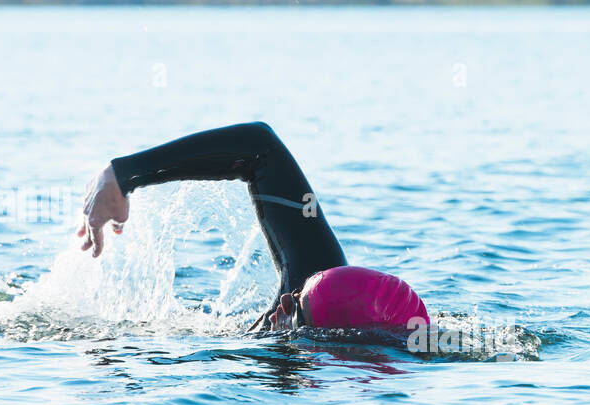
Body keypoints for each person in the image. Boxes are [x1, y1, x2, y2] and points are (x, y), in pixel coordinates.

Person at [80, 122, 428, 332]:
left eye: (298, 313)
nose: (283, 305)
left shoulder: (294, 378)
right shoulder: (321, 293)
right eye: (295, 296)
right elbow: (261, 146)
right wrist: (122, 175)